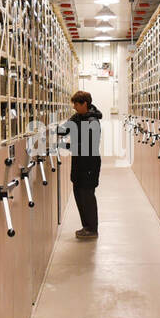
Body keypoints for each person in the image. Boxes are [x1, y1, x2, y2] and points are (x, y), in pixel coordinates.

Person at [62, 91, 102, 238]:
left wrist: (66, 146)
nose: (74, 107)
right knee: (79, 195)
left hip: (89, 165)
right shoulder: (79, 117)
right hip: (78, 163)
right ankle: (86, 226)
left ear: (84, 103)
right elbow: (63, 130)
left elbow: (86, 147)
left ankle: (92, 229)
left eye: (76, 104)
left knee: (87, 197)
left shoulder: (92, 122)